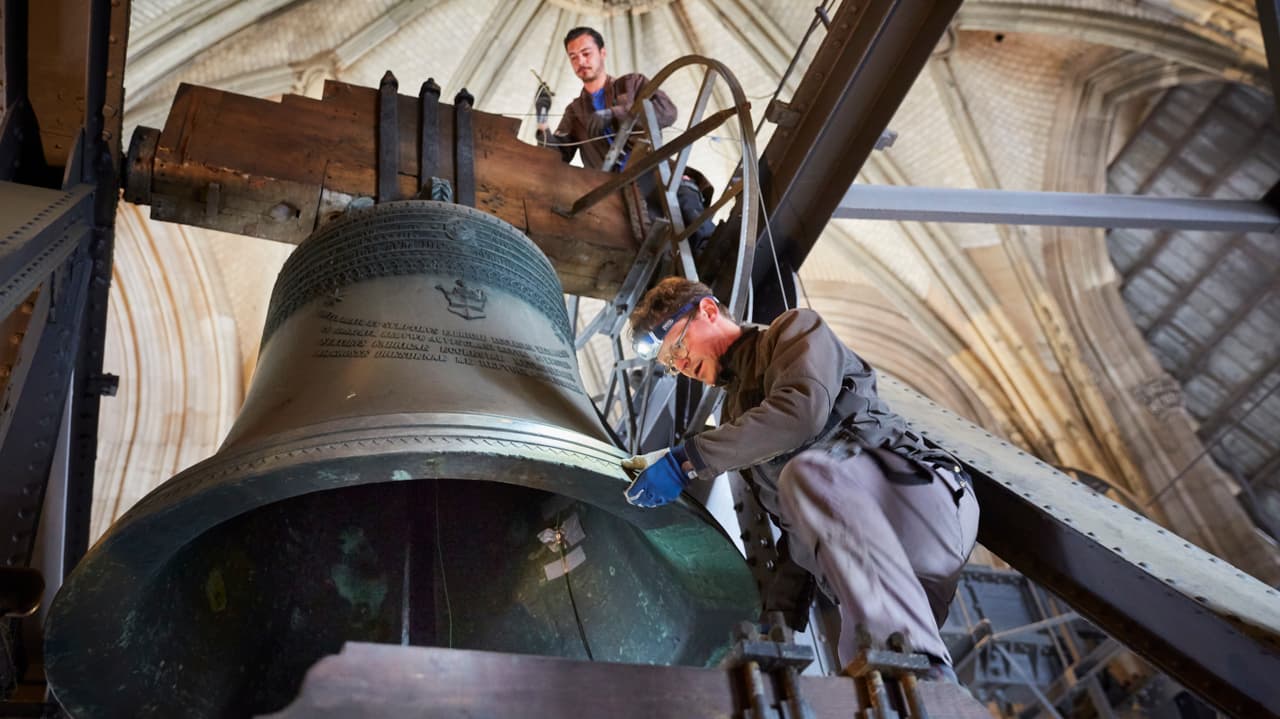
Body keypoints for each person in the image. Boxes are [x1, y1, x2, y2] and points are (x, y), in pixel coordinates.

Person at [621, 277, 980, 678]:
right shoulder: (735, 418)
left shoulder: (794, 331)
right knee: (869, 673)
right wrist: (776, 622)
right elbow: (799, 534)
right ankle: (921, 679)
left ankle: (919, 664)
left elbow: (800, 415)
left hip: (916, 505)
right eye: (671, 365)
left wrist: (687, 459)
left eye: (678, 347)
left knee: (807, 474)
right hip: (874, 567)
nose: (682, 365)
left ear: (707, 311)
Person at [536, 26, 714, 248]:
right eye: (573, 57)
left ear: (602, 52)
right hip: (611, 191)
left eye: (586, 53)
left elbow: (667, 112)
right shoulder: (574, 111)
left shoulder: (632, 84)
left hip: (652, 174)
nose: (580, 61)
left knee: (687, 205)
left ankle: (710, 249)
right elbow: (555, 156)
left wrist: (615, 113)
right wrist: (542, 117)